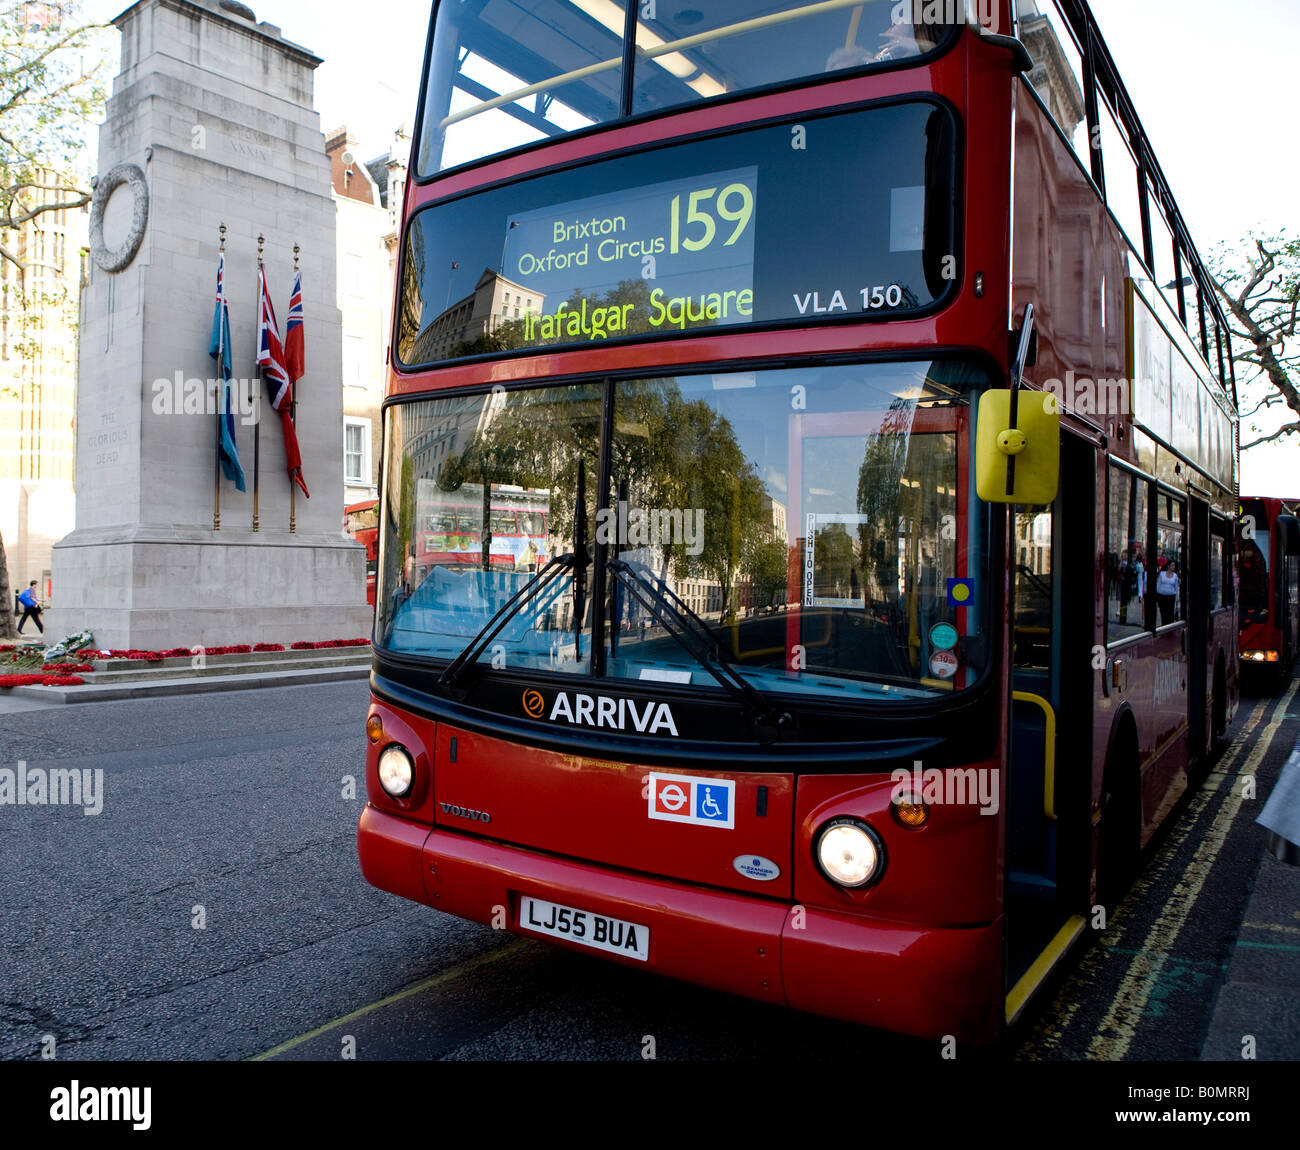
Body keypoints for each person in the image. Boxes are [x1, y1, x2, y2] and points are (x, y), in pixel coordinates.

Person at [1156, 560, 1179, 626]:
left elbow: (1176, 588)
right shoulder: (1162, 574)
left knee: (1170, 614)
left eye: (1174, 565)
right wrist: (1157, 597)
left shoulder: (1175, 576)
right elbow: (1158, 585)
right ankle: (1164, 627)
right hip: (1162, 597)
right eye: (1172, 565)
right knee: (1163, 613)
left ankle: (1169, 629)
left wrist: (1176, 599)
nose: (1173, 567)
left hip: (1171, 597)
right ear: (1168, 566)